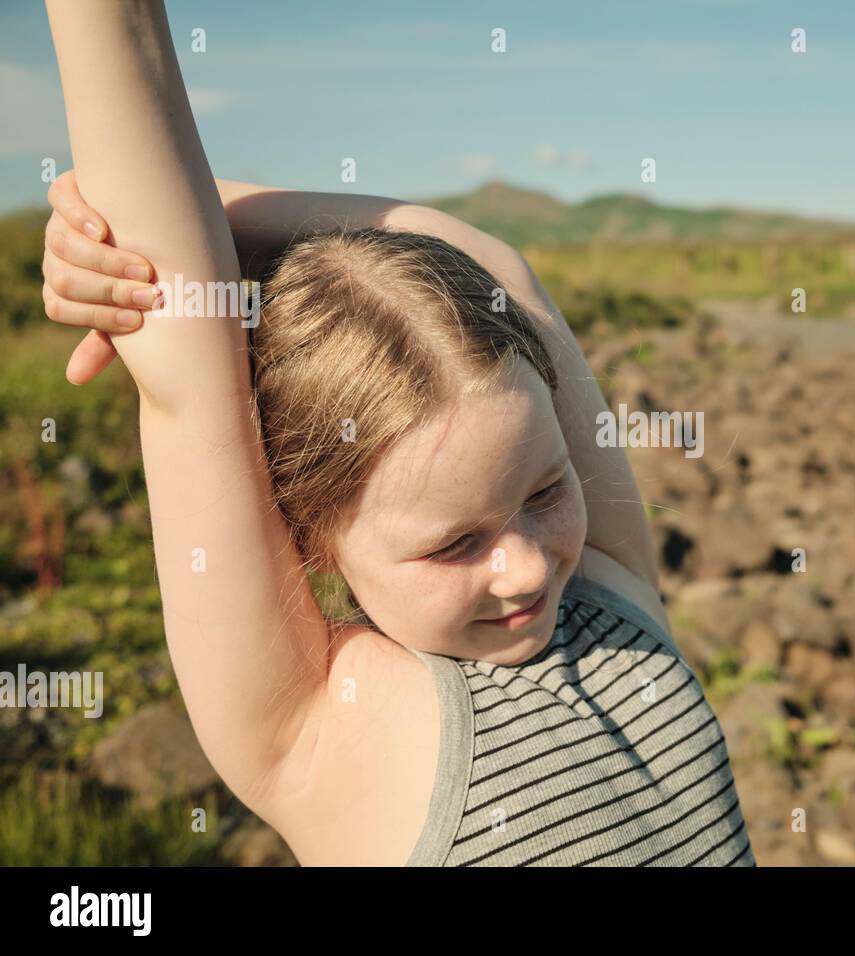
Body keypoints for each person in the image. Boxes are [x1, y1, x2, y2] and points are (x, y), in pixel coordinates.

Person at [41, 0, 754, 866]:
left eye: (545, 492)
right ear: (317, 540)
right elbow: (185, 346)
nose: (528, 565)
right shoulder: (315, 732)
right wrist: (134, 246)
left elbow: (485, 261)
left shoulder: (611, 583)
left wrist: (137, 217)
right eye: (455, 544)